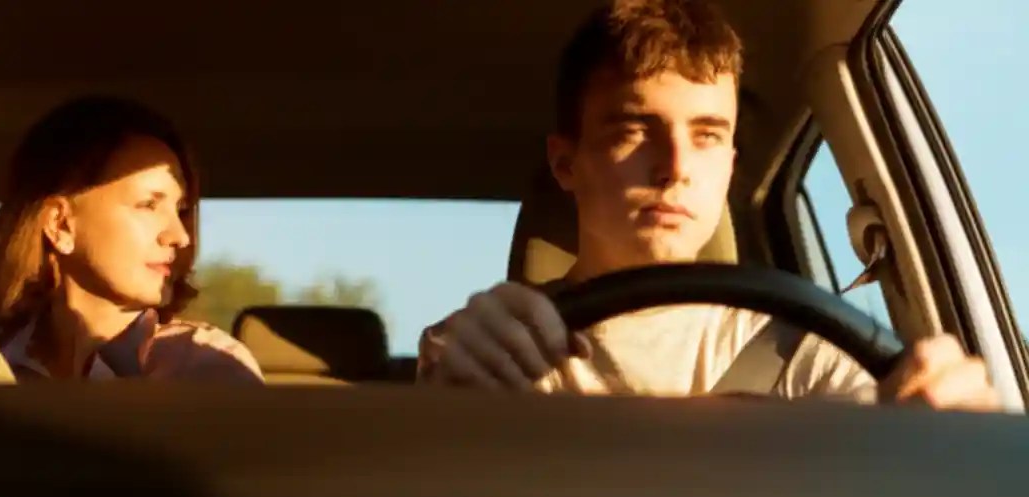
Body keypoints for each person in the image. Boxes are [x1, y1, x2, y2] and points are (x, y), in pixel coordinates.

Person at [418, 0, 1001, 411]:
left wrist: (941, 429)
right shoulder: (490, 351)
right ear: (566, 163)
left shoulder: (806, 352)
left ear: (727, 165)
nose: (675, 166)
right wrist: (449, 408)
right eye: (633, 129)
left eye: (707, 134)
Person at [0, 96, 263, 383]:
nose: (179, 236)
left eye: (180, 210)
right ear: (60, 225)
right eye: (148, 205)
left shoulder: (209, 369)